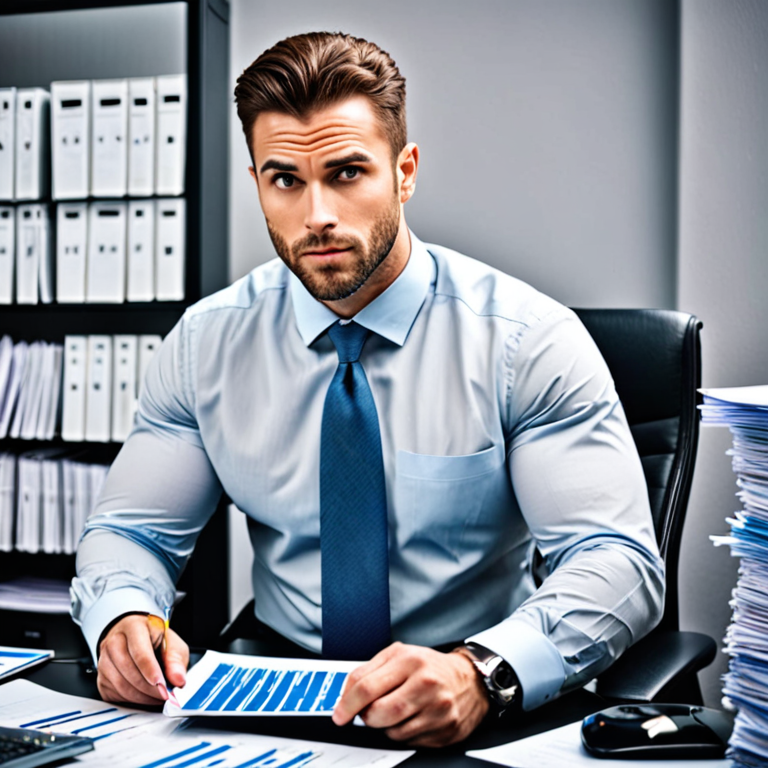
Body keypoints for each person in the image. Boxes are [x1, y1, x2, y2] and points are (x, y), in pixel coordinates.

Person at [71, 31, 664, 747]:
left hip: (468, 692)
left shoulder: (526, 341)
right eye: (285, 179)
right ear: (258, 181)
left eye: (348, 173)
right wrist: (123, 616)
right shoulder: (206, 345)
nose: (317, 214)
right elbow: (132, 532)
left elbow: (615, 560)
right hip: (273, 694)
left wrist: (485, 673)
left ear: (405, 171)